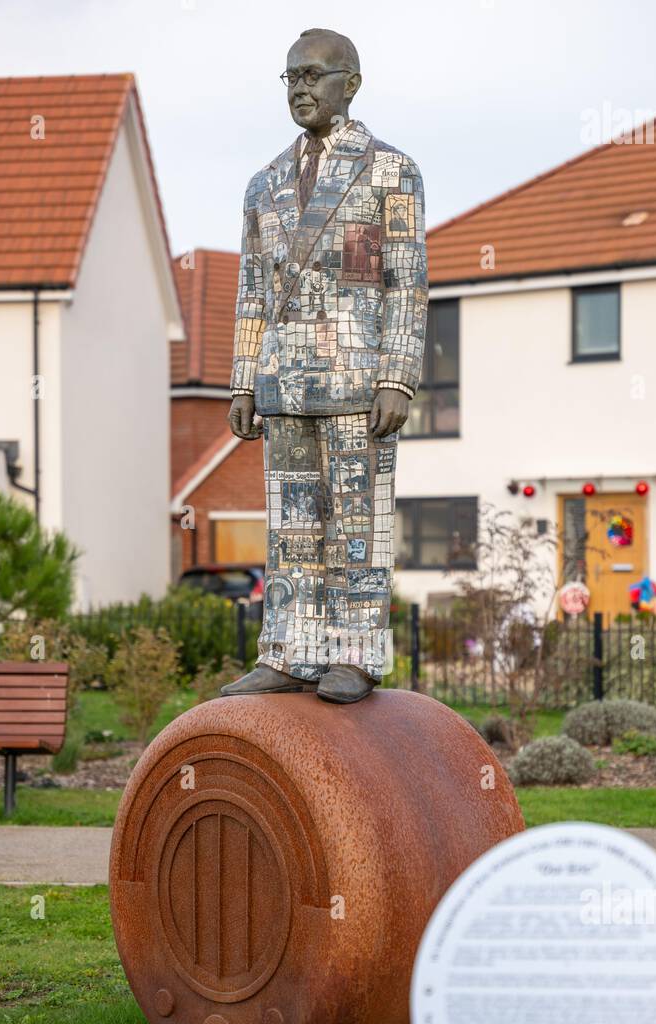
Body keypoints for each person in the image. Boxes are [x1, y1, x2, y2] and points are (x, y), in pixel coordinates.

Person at [223, 27, 427, 704]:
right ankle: (285, 651)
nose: (302, 89)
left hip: (356, 382)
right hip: (284, 384)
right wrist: (243, 381)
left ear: (351, 83)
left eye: (313, 75)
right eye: (291, 79)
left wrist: (397, 376)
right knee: (291, 528)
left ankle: (355, 654)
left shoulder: (389, 171)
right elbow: (252, 289)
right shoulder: (263, 184)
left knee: (357, 527)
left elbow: (407, 282)